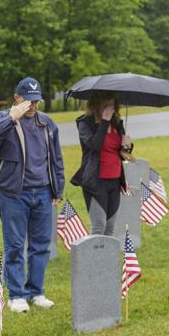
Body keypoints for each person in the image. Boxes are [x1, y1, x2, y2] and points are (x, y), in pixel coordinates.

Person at [0, 77, 65, 313]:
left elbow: (56, 159)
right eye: (28, 101)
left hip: (44, 192)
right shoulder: (1, 120)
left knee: (40, 246)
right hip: (14, 194)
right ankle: (16, 295)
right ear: (17, 98)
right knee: (15, 245)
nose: (33, 106)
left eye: (36, 102)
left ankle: (36, 291)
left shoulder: (47, 124)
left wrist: (58, 188)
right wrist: (11, 118)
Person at [70, 91, 133, 235]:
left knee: (110, 227)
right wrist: (104, 122)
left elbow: (122, 152)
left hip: (115, 180)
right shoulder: (85, 123)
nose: (110, 109)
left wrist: (127, 145)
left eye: (112, 105)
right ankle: (94, 257)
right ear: (97, 105)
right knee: (99, 225)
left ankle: (107, 258)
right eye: (106, 105)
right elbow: (94, 146)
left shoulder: (117, 123)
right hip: (95, 181)